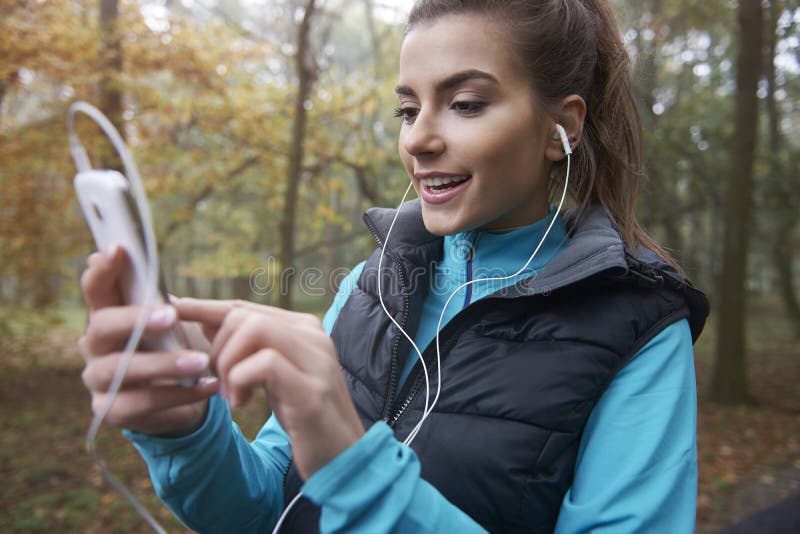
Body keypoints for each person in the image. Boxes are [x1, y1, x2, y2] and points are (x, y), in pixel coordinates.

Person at [78, 0, 709, 532]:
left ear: (560, 130)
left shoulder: (639, 329)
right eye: (408, 110)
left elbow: (342, 474)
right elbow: (271, 505)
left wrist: (353, 466)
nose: (417, 139)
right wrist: (188, 431)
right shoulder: (368, 285)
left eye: (464, 103)